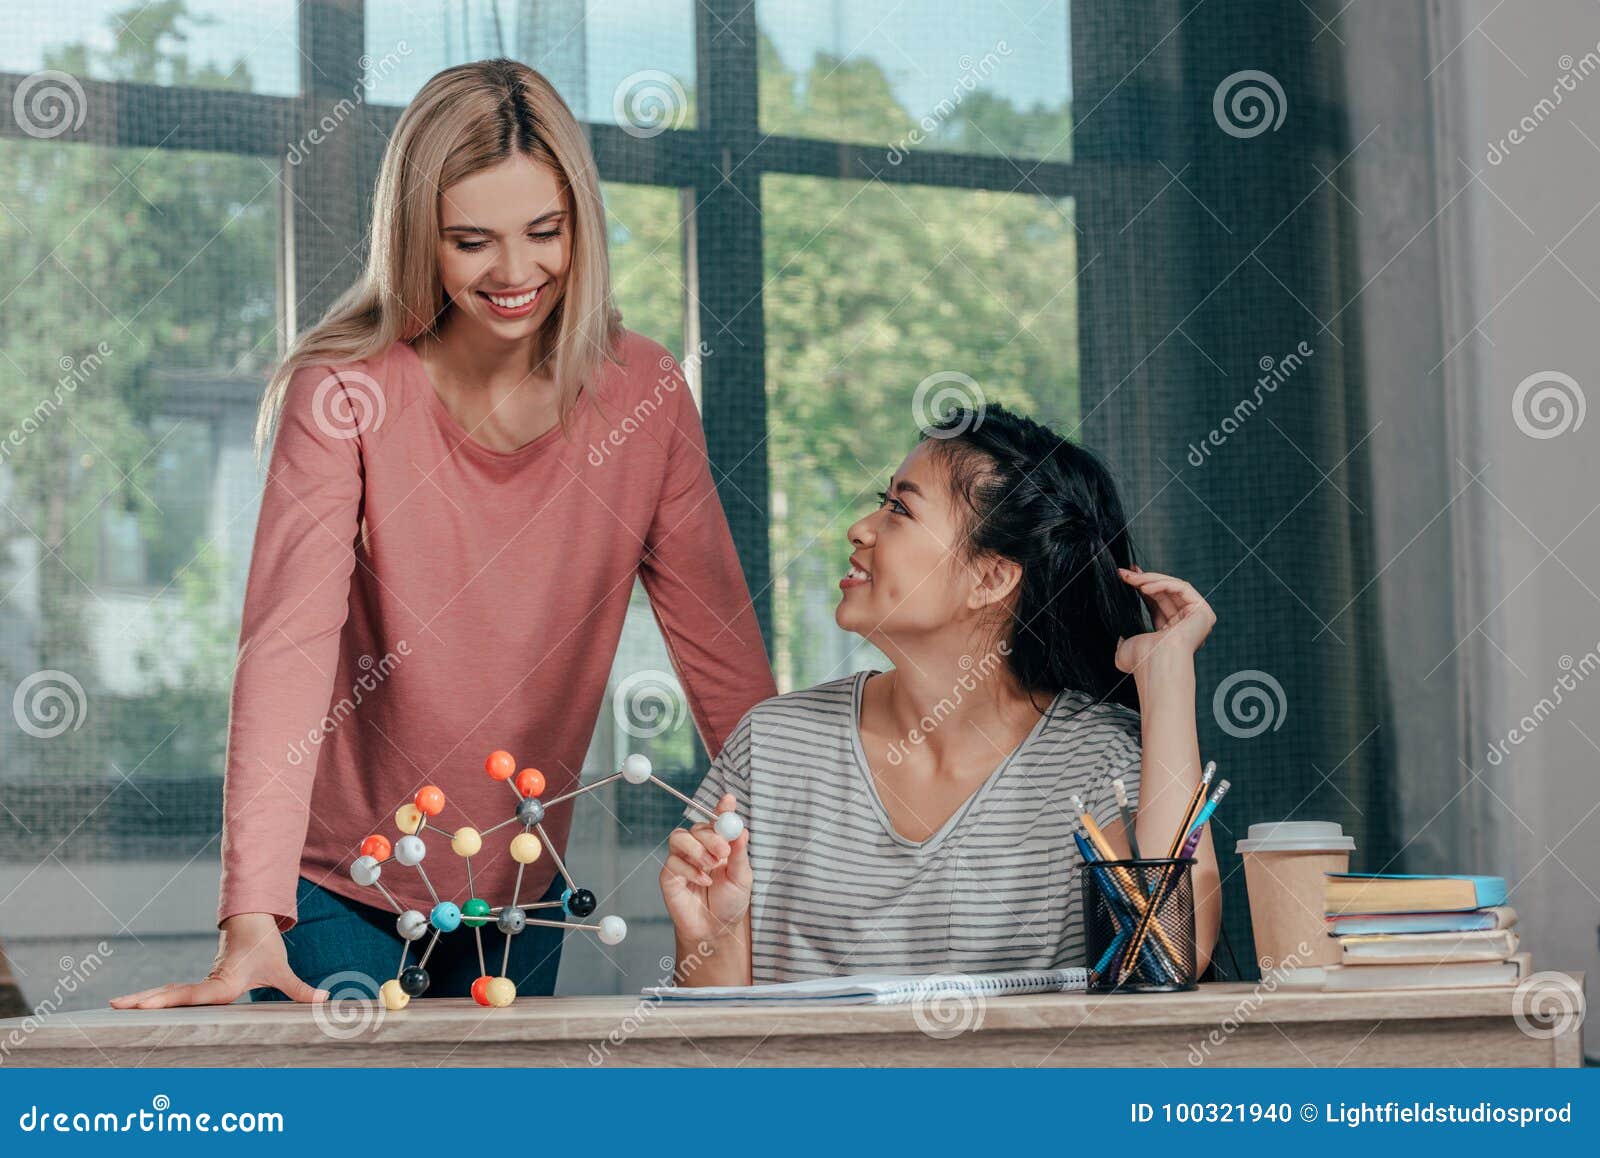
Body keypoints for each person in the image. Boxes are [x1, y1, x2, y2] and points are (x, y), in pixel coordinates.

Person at [111, 59, 775, 1010]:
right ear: (419, 236)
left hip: (521, 900)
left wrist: (803, 865)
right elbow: (286, 651)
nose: (515, 274)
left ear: (582, 223)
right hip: (338, 888)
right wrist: (252, 918)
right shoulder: (346, 393)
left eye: (545, 232)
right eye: (472, 241)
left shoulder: (644, 393)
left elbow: (724, 660)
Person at [659, 404, 1221, 984]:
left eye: (900, 509)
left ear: (991, 578)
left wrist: (1167, 675)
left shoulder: (1098, 760)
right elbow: (720, 1050)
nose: (861, 528)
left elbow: (1167, 956)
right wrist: (712, 936)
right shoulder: (773, 745)